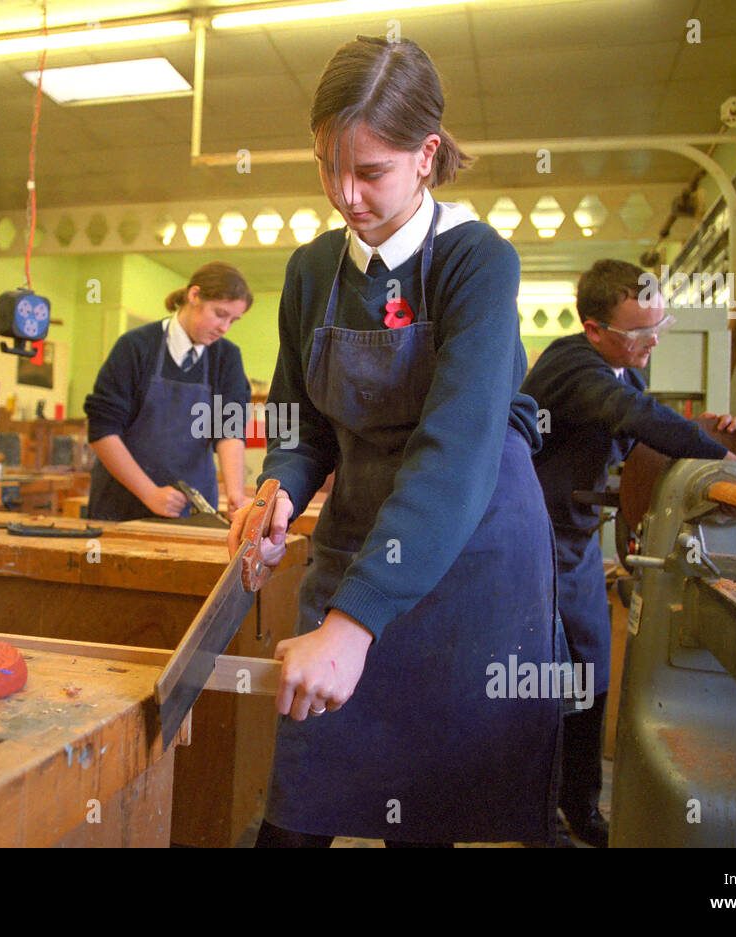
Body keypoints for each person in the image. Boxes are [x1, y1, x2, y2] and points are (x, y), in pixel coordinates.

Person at [231, 36, 562, 847]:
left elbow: (456, 449)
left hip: (467, 547)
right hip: (358, 541)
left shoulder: (477, 263)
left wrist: (353, 626)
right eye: (326, 166)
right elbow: (304, 423)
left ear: (427, 155)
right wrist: (278, 489)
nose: (345, 194)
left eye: (369, 171)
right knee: (301, 800)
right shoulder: (312, 272)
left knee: (423, 813)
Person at [520, 258, 736, 847]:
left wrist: (712, 435)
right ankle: (535, 824)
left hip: (572, 546)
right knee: (542, 685)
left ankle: (581, 807)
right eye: (637, 332)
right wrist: (719, 458)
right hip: (526, 547)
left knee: (590, 676)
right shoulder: (573, 364)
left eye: (658, 325)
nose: (652, 342)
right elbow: (635, 419)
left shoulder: (627, 373)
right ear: (595, 329)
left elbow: (639, 443)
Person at [85, 262, 252, 521]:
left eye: (233, 320)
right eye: (220, 314)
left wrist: (235, 495)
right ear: (194, 296)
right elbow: (102, 430)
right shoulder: (135, 347)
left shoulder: (227, 357)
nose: (224, 328)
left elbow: (229, 430)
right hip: (122, 506)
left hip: (194, 509)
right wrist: (149, 493)